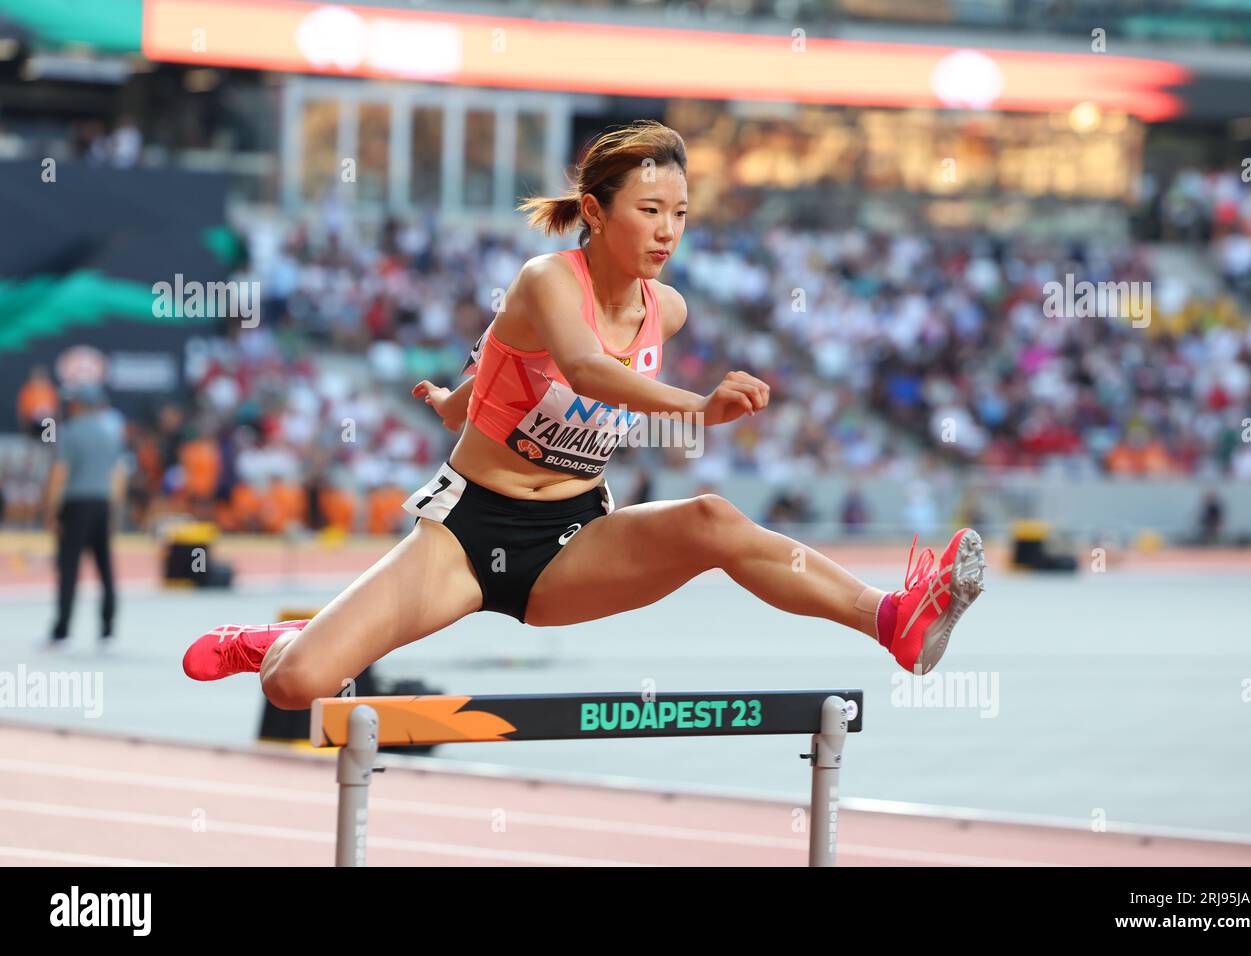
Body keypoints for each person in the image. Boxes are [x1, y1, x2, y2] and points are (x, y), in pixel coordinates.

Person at [182, 120, 985, 707]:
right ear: (596, 214)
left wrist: (458, 400)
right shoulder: (545, 279)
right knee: (298, 687)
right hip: (466, 538)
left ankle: (894, 621)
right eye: (649, 210)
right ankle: (273, 642)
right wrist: (697, 409)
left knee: (711, 518)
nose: (668, 231)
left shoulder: (665, 310)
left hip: (573, 539)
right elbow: (581, 367)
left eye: (679, 212)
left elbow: (503, 356)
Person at [41, 383, 127, 650]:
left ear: (79, 405)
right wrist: (114, 511)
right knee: (106, 569)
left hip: (76, 504)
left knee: (69, 569)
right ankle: (107, 632)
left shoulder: (70, 432)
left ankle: (62, 631)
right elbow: (118, 475)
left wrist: (51, 510)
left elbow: (59, 474)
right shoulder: (110, 434)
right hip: (102, 504)